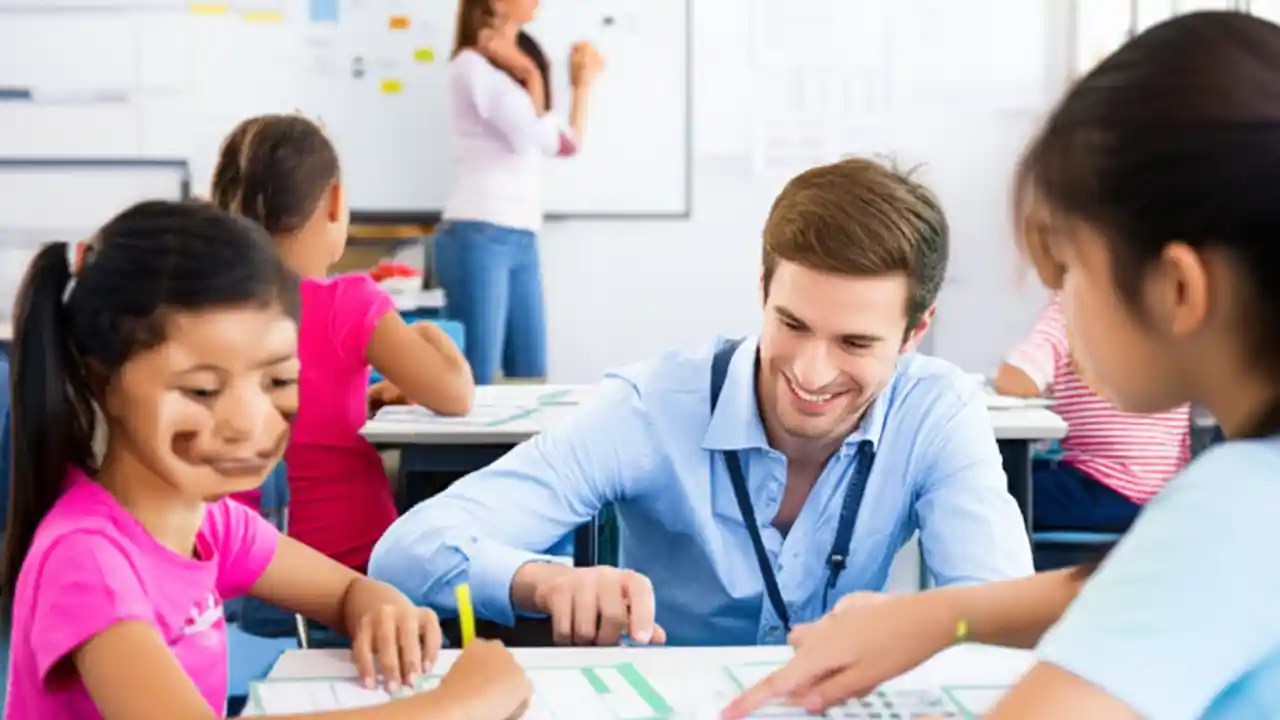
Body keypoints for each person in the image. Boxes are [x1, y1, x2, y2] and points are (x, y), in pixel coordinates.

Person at [722, 11, 1280, 719]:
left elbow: (1189, 566)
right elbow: (1147, 585)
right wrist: (945, 615)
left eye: (1067, 270)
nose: (1059, 305)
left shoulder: (1233, 506)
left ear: (1177, 291)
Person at [370, 158, 1034, 647]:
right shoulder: (654, 406)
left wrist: (925, 627)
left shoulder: (937, 412)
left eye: (855, 342)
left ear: (915, 332)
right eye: (792, 324)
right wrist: (545, 581)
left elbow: (1004, 615)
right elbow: (407, 551)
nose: (811, 372)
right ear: (763, 290)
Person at [1, 201, 529, 719]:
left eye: (275, 380)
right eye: (203, 389)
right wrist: (456, 706)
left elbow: (347, 590)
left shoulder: (209, 524)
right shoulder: (87, 560)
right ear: (103, 381)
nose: (247, 420)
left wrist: (379, 605)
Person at [211, 114, 475, 574]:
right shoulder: (349, 304)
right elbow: (455, 395)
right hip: (354, 571)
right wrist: (430, 336)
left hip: (245, 572)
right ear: (335, 202)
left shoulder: (205, 316)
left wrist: (360, 402)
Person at [436, 0, 604, 384]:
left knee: (530, 376)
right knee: (474, 379)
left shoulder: (517, 63)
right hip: (479, 232)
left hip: (521, 234)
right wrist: (531, 76)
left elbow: (566, 143)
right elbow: (533, 136)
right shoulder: (471, 66)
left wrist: (581, 86)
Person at [995, 293, 1190, 532]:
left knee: (991, 489)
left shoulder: (1077, 300)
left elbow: (1016, 378)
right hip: (1164, 496)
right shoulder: (1169, 307)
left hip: (1101, 487)